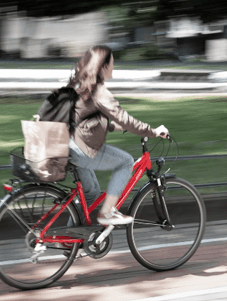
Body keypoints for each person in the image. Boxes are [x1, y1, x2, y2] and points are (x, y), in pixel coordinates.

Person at [68, 45, 169, 226]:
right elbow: (125, 118)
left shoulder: (84, 86)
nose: (114, 66)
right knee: (126, 161)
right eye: (112, 63)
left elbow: (88, 120)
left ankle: (72, 242)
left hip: (71, 145)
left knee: (91, 194)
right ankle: (106, 213)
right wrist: (152, 131)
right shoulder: (99, 91)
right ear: (103, 67)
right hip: (84, 149)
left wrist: (113, 127)